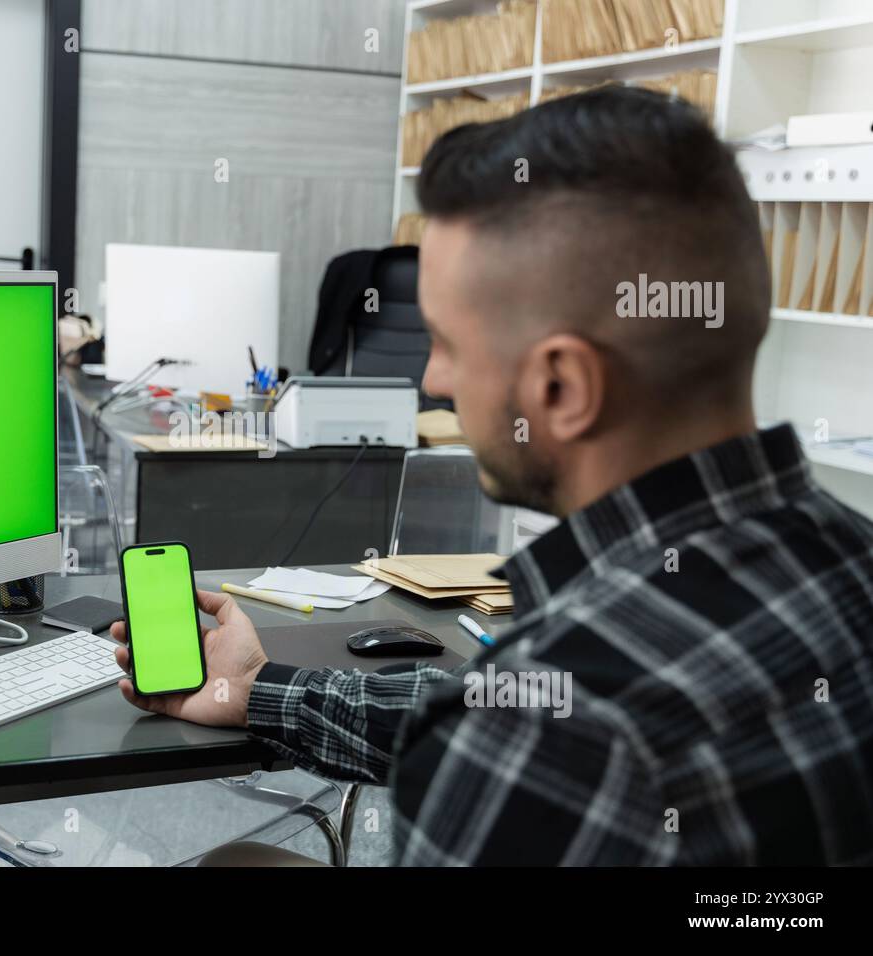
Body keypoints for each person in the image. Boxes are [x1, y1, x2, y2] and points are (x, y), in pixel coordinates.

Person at [111, 86, 873, 865]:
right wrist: (259, 690)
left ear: (562, 388)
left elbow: (532, 732)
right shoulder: (845, 554)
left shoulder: (560, 742)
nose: (435, 381)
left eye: (446, 341)